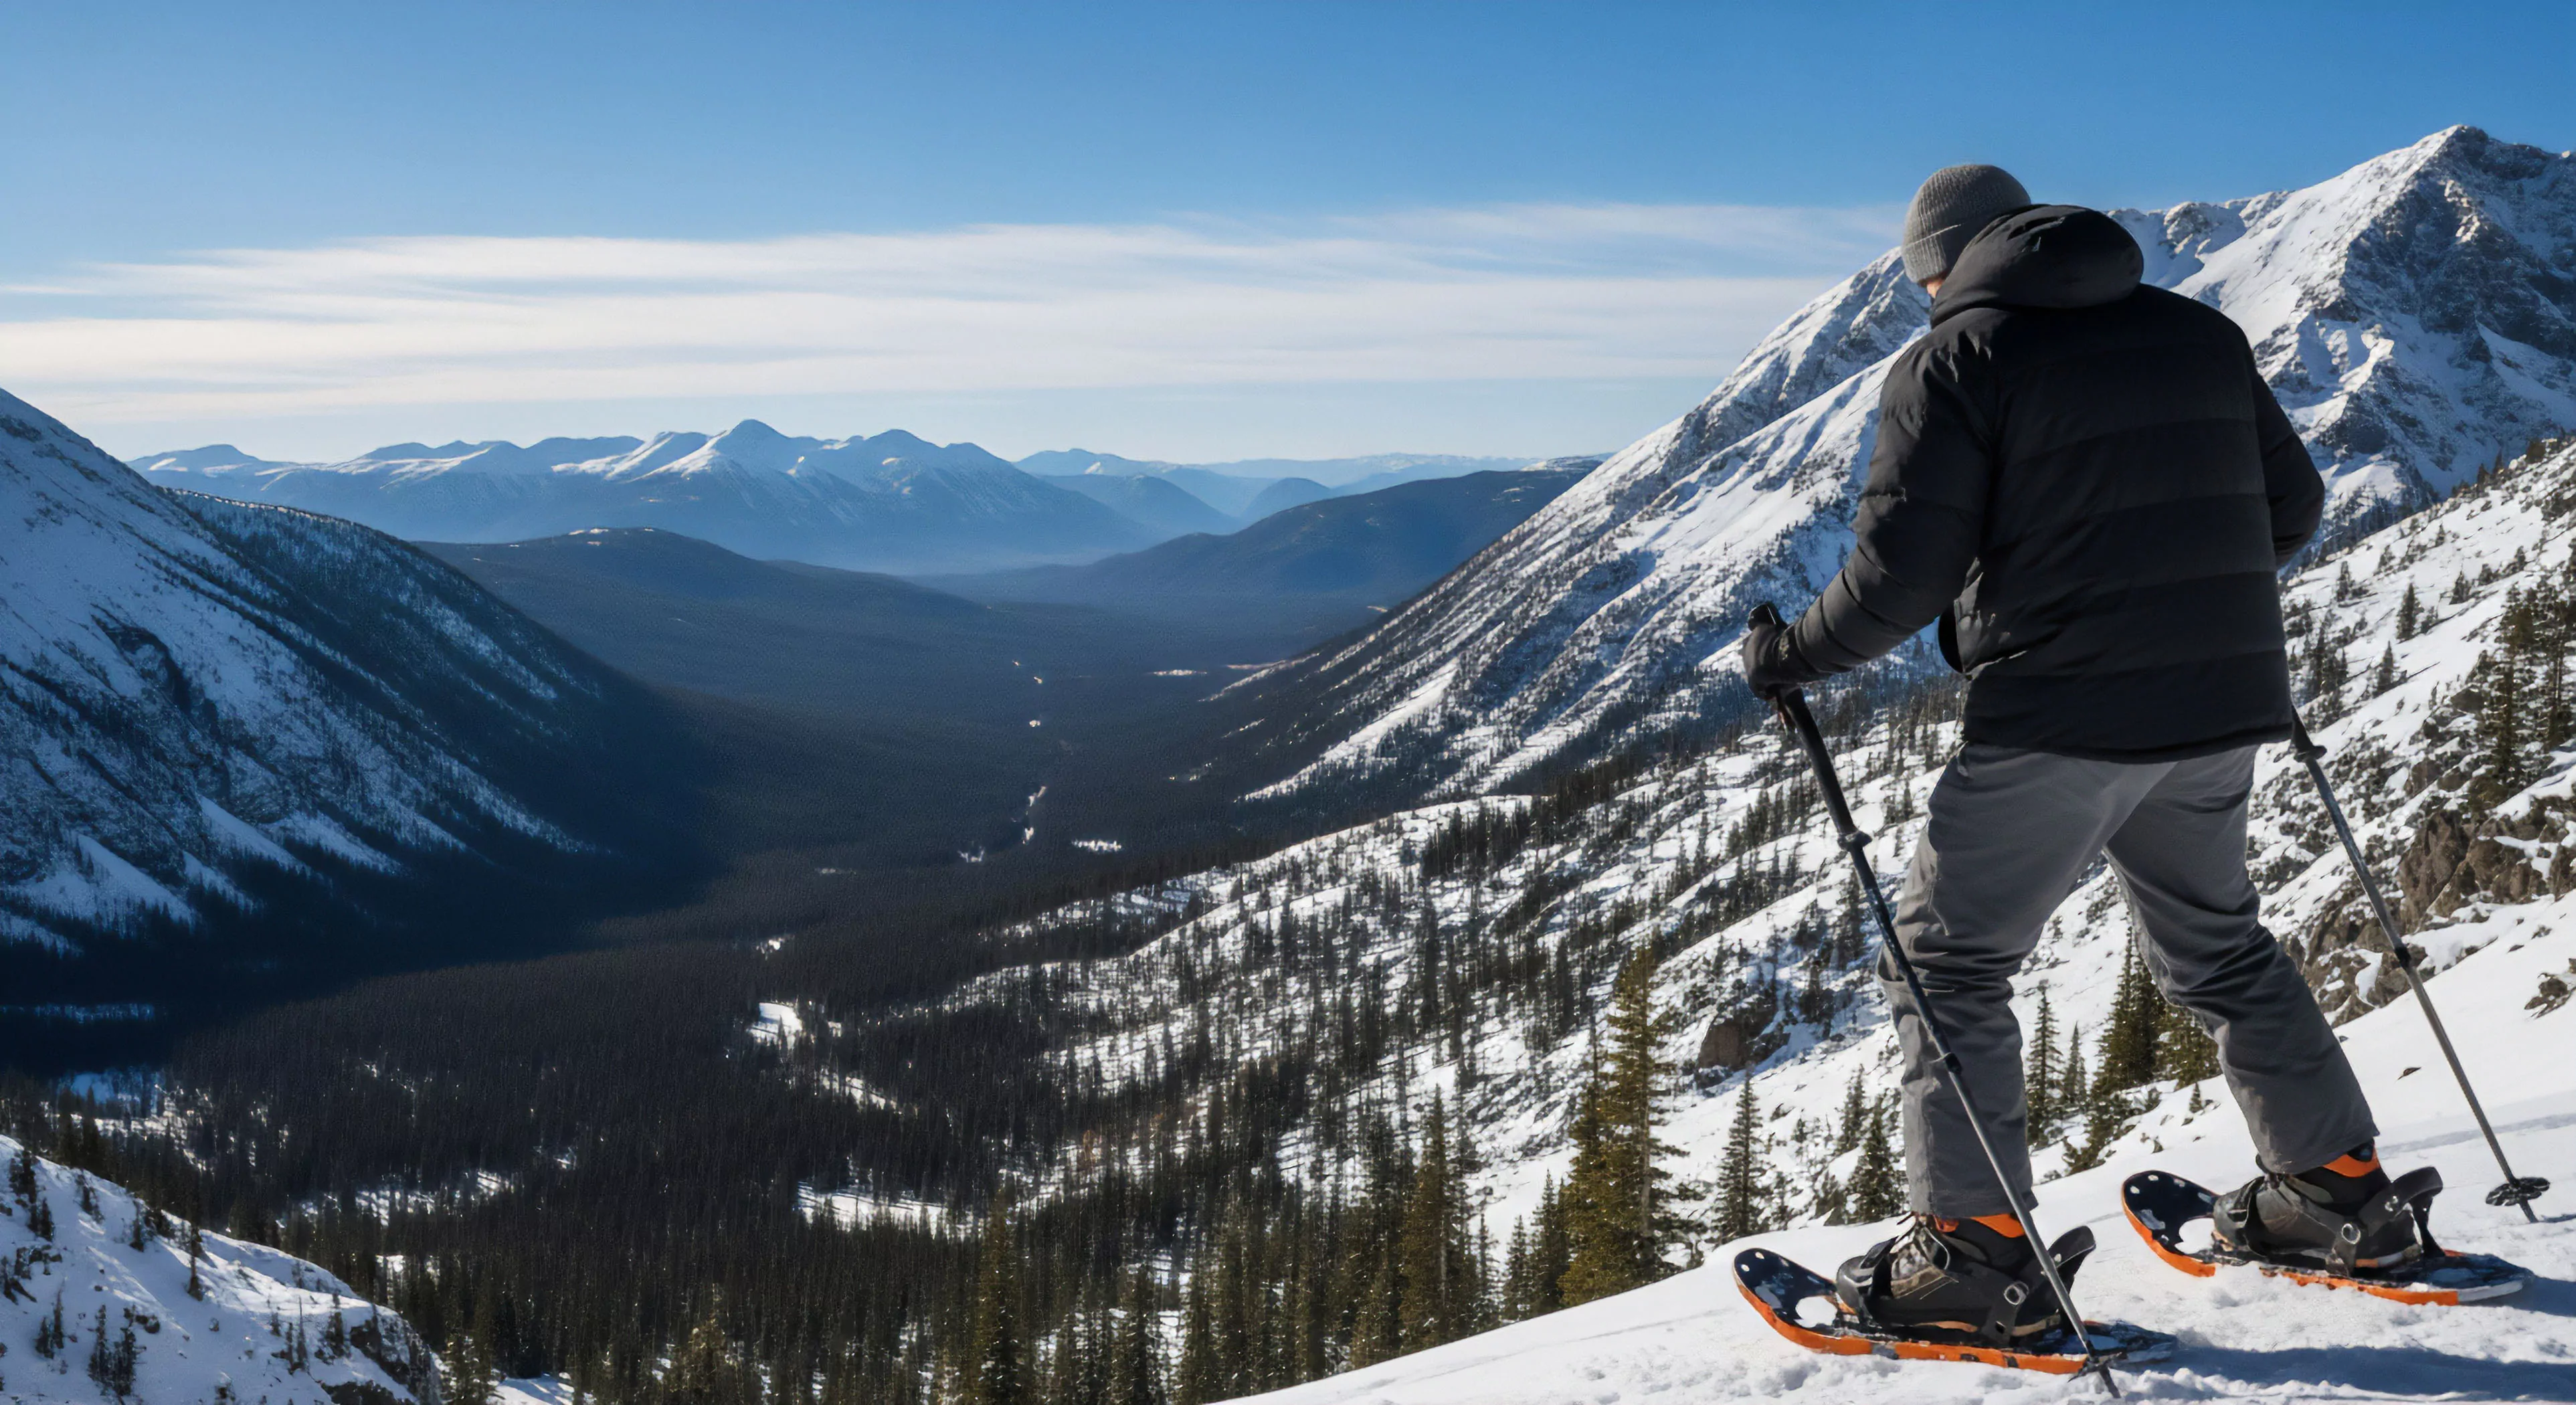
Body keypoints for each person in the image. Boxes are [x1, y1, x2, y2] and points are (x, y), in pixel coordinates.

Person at [1740, 164, 2411, 1343]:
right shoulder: (2198, 334)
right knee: (2218, 946)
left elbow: (1900, 576)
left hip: (2058, 715)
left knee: (1946, 966)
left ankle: (1971, 1255)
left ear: (1937, 268)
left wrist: (1789, 655)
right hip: (2216, 707)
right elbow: (2291, 509)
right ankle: (2333, 1195)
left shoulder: (1959, 359)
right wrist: (2180, 598)